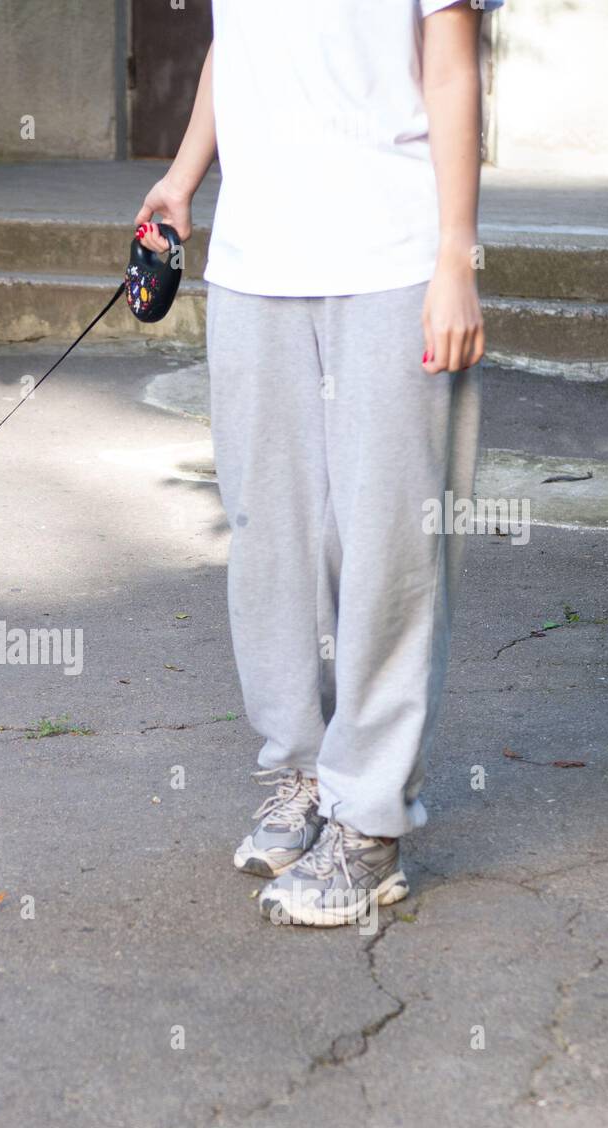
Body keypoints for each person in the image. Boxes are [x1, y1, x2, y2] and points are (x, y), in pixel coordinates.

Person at [136, 0, 501, 927]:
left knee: (389, 544)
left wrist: (455, 258)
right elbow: (236, 43)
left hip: (393, 259)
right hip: (254, 265)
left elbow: (453, 67)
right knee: (271, 538)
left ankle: (369, 820)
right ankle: (302, 769)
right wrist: (182, 175)